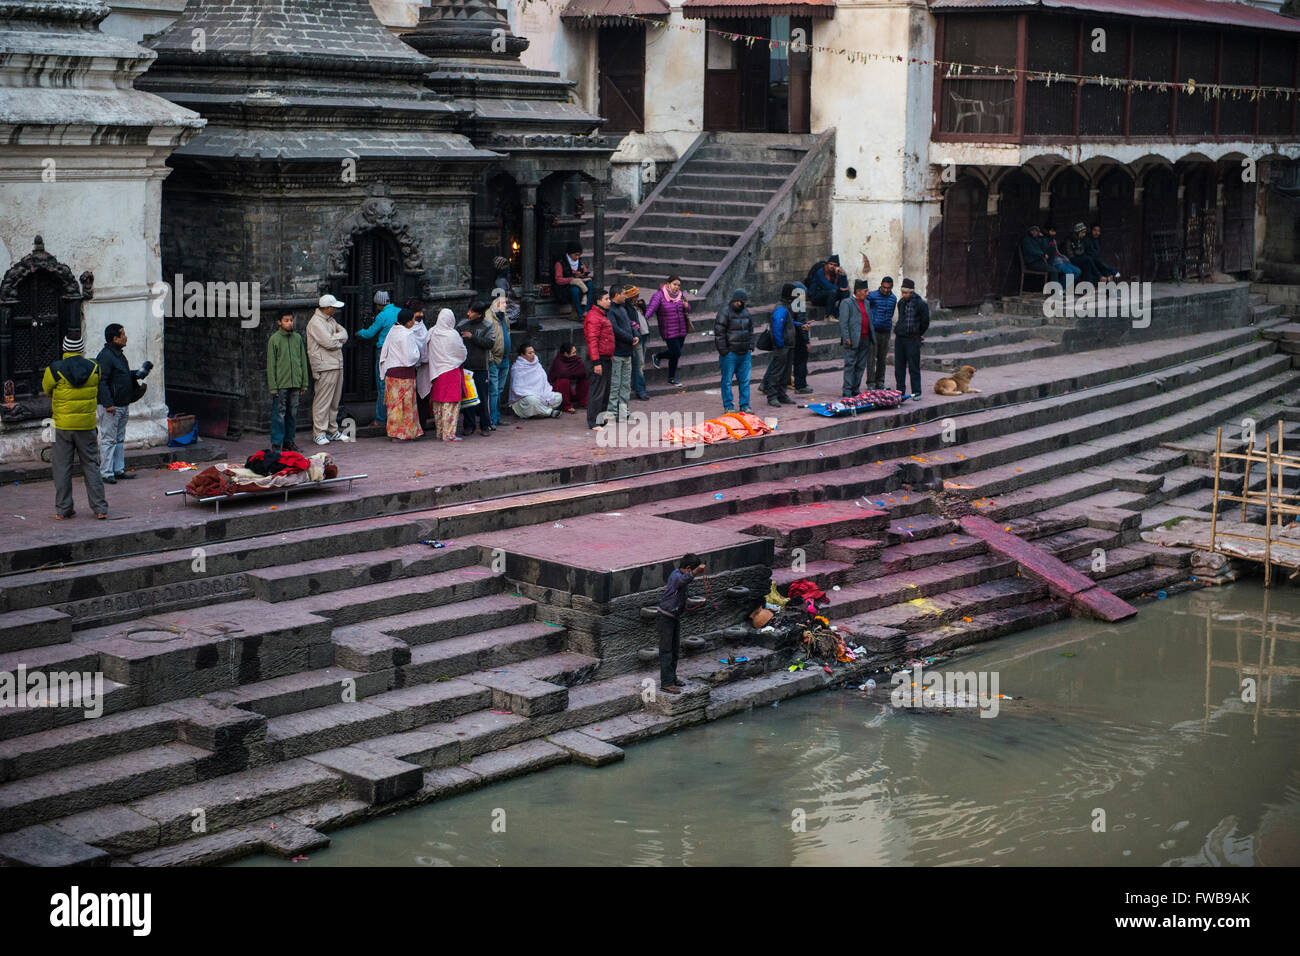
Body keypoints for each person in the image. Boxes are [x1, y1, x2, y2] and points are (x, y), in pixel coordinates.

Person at [43, 332, 108, 520]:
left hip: (62, 426)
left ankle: (63, 509)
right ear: (81, 349)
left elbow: (47, 389)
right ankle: (100, 508)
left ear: (64, 348)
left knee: (62, 467)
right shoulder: (95, 368)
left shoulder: (54, 369)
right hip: (87, 426)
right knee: (91, 466)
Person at [95, 323, 152, 483]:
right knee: (109, 439)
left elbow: (122, 376)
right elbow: (102, 382)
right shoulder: (106, 356)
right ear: (115, 338)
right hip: (111, 407)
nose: (126, 337)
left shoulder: (118, 355)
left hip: (122, 404)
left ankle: (118, 470)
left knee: (119, 439)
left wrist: (139, 374)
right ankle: (106, 472)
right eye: (123, 334)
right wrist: (108, 404)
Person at [656, 553, 707, 694]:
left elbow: (684, 596)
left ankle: (671, 678)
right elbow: (683, 581)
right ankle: (666, 683)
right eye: (692, 571)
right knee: (666, 650)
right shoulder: (676, 576)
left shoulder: (681, 576)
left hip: (674, 616)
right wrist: (697, 571)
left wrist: (697, 602)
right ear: (689, 568)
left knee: (674, 650)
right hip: (666, 617)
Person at [306, 293, 350, 445]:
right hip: (325, 366)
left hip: (336, 363)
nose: (335, 310)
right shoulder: (316, 323)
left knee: (334, 401)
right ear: (327, 308)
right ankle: (319, 432)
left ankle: (332, 430)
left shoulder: (330, 320)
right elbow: (330, 343)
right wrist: (338, 339)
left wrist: (336, 338)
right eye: (333, 307)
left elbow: (344, 333)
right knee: (323, 400)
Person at [355, 290, 400, 426]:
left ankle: (381, 419)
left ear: (379, 304)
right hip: (398, 351)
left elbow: (370, 333)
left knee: (382, 385)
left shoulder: (382, 315)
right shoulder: (399, 311)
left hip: (384, 352)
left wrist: (359, 332)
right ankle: (395, 417)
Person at [379, 306, 424, 441]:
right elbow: (411, 357)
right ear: (409, 322)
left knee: (394, 405)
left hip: (391, 373)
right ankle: (405, 433)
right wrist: (419, 355)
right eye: (413, 320)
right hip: (404, 374)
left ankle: (394, 433)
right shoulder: (407, 334)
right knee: (407, 405)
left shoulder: (393, 330)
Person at [266, 313, 309, 452]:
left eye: (291, 320)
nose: (290, 323)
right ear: (279, 322)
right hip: (281, 384)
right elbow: (271, 365)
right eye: (286, 320)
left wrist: (304, 383)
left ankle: (289, 442)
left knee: (292, 414)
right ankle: (277, 443)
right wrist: (273, 387)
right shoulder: (274, 340)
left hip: (295, 383)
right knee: (279, 414)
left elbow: (303, 361)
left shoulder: (297, 338)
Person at [426, 308, 467, 442]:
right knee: (451, 404)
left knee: (438, 403)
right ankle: (449, 434)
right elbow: (461, 352)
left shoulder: (432, 332)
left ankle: (440, 432)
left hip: (436, 372)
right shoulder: (452, 334)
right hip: (451, 372)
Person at [458, 300, 495, 437]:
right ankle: (469, 425)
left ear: (479, 314)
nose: (468, 313)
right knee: (467, 399)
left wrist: (472, 337)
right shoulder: (462, 325)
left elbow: (490, 343)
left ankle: (485, 425)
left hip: (481, 368)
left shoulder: (487, 326)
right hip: (466, 368)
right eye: (469, 310)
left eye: (472, 311)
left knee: (483, 397)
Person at [714, 289, 754, 413]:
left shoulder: (746, 313)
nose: (742, 304)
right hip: (730, 354)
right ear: (736, 301)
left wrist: (750, 345)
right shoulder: (724, 313)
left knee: (745, 381)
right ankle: (728, 406)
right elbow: (719, 334)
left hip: (744, 353)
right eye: (741, 302)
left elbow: (750, 330)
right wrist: (724, 351)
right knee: (727, 381)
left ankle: (745, 405)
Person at [647, 275, 690, 387]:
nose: (677, 287)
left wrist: (686, 306)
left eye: (679, 285)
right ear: (668, 284)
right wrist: (643, 319)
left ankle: (671, 378)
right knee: (676, 352)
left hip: (681, 330)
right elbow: (651, 309)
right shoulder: (659, 296)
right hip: (668, 330)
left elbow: (687, 310)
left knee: (675, 355)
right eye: (675, 284)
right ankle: (658, 356)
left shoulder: (680, 295)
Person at [759, 282, 797, 407]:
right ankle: (772, 396)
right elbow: (777, 328)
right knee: (777, 372)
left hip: (788, 345)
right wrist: (780, 344)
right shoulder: (781, 308)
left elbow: (787, 324)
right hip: (783, 346)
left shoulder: (786, 307)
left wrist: (799, 325)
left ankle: (782, 394)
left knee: (786, 372)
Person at [584, 288, 615, 430]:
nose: (609, 301)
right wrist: (596, 362)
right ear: (598, 301)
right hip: (598, 359)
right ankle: (593, 421)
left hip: (606, 357)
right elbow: (592, 341)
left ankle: (600, 419)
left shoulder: (602, 315)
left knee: (605, 390)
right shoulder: (594, 317)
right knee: (597, 390)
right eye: (606, 299)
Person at [894, 278, 930, 400]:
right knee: (899, 366)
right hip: (900, 338)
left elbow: (925, 322)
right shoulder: (901, 303)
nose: (905, 295)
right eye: (903, 292)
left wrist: (918, 334)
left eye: (907, 293)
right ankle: (900, 390)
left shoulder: (920, 304)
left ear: (912, 292)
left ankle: (916, 392)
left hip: (913, 339)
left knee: (913, 366)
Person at [607, 285, 638, 422]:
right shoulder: (611, 310)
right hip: (617, 353)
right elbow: (615, 330)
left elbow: (630, 324)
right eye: (624, 293)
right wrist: (631, 338)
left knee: (625, 384)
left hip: (627, 352)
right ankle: (612, 412)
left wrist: (636, 334)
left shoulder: (623, 308)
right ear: (616, 295)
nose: (626, 296)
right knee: (615, 384)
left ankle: (623, 412)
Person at [509, 343, 564, 419]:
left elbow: (544, 383)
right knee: (532, 401)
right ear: (522, 355)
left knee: (558, 397)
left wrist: (545, 395)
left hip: (540, 395)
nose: (533, 355)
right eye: (530, 353)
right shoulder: (517, 368)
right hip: (525, 398)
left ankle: (539, 411)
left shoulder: (537, 364)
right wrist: (535, 395)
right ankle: (550, 412)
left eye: (533, 352)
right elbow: (517, 390)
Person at [839, 279, 873, 397]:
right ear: (858, 291)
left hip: (865, 338)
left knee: (861, 365)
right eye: (865, 291)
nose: (867, 293)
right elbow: (843, 323)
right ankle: (847, 389)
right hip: (852, 339)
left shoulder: (867, 303)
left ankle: (855, 388)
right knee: (850, 364)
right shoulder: (847, 303)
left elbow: (869, 320)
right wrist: (846, 337)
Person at [866, 276, 897, 390]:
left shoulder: (893, 298)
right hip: (874, 330)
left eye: (888, 288)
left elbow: (891, 313)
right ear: (881, 285)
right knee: (871, 357)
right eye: (884, 287)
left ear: (892, 287)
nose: (886, 290)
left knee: (882, 358)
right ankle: (870, 382)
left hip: (886, 331)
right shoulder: (872, 296)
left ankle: (880, 381)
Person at [485, 293, 512, 428]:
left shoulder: (504, 316)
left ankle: (497, 417)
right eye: (504, 303)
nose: (506, 305)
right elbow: (487, 339)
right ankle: (492, 419)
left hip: (505, 358)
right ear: (496, 304)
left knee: (499, 390)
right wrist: (490, 358)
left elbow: (507, 330)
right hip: (494, 358)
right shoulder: (488, 317)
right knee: (494, 391)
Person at [553, 240, 592, 315]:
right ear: (569, 253)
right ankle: (580, 313)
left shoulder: (580, 263)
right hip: (565, 288)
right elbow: (558, 280)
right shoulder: (560, 263)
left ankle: (586, 310)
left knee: (590, 283)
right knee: (575, 290)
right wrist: (572, 278)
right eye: (576, 255)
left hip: (581, 285)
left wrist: (582, 275)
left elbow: (585, 272)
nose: (577, 257)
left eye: (579, 255)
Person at [548, 343, 587, 414]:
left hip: (574, 389)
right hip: (561, 392)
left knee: (584, 379)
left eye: (576, 352)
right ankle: (566, 406)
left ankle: (583, 402)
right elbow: (562, 374)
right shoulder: (558, 362)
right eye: (573, 353)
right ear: (566, 354)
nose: (575, 355)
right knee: (563, 381)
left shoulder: (577, 360)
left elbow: (582, 372)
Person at [789, 280, 813, 394]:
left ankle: (766, 384)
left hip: (790, 336)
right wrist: (806, 341)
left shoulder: (788, 304)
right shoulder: (799, 305)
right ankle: (800, 385)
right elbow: (802, 323)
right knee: (800, 361)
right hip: (798, 338)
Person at [629, 289, 650, 401]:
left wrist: (642, 307)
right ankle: (640, 390)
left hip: (644, 334)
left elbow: (644, 316)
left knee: (640, 364)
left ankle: (637, 386)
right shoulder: (627, 307)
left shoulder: (635, 306)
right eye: (635, 296)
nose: (637, 298)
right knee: (639, 364)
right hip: (638, 336)